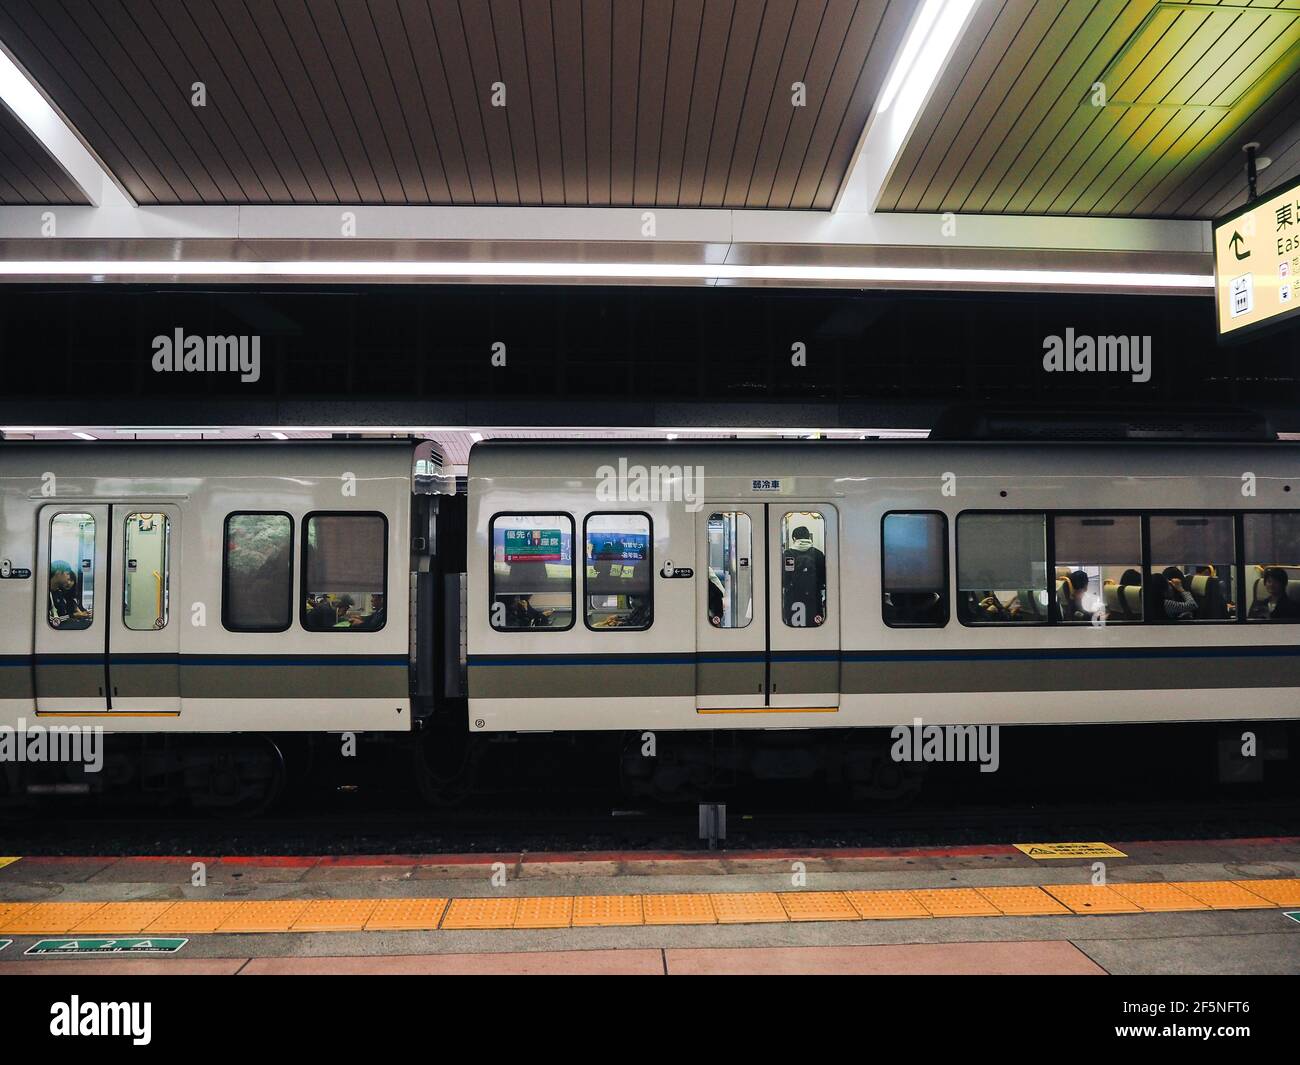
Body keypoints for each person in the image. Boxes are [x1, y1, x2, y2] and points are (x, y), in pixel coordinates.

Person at [782, 524, 826, 626]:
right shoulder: (818, 554)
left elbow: (784, 579)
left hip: (793, 597)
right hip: (813, 598)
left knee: (792, 628)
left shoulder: (788, 554)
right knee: (814, 626)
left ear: (794, 538)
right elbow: (824, 579)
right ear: (808, 537)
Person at [48, 560, 92, 629]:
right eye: (67, 573)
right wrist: (74, 615)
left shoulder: (58, 593)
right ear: (58, 573)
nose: (68, 577)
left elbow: (63, 615)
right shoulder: (46, 594)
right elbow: (51, 620)